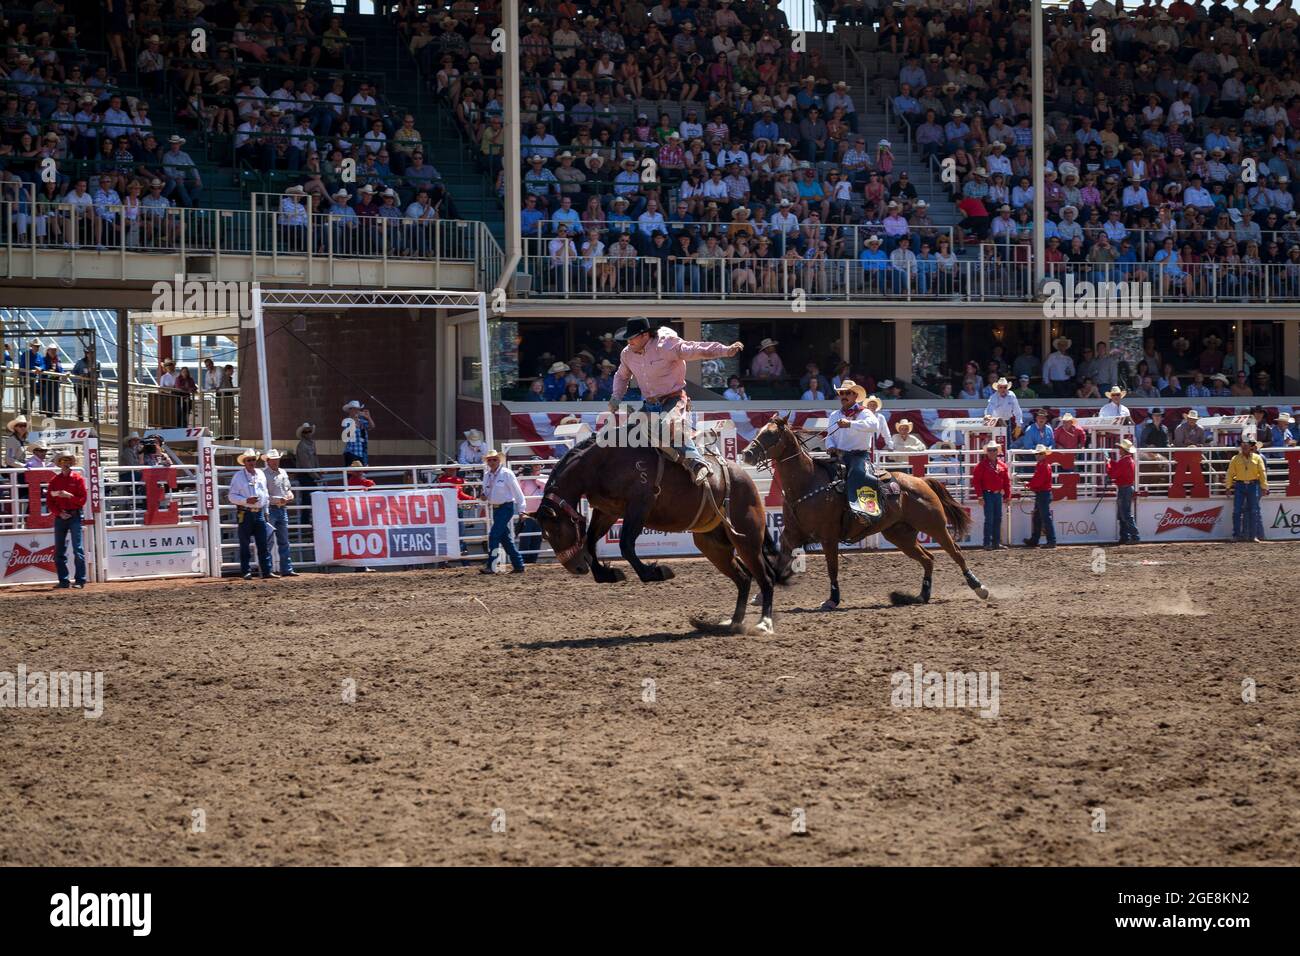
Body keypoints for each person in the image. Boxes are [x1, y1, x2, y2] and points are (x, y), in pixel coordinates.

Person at [608, 316, 741, 484]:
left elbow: (694, 349)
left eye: (632, 336)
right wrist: (616, 396)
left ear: (645, 335)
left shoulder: (666, 345)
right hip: (649, 403)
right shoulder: (627, 354)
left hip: (673, 398)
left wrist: (724, 350)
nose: (628, 341)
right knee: (630, 431)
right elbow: (621, 376)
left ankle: (697, 463)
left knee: (669, 424)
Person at [826, 379, 890, 517]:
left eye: (847, 393)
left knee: (857, 475)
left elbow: (874, 426)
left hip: (859, 456)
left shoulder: (864, 412)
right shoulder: (834, 415)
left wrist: (850, 424)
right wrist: (831, 446)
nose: (843, 396)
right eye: (841, 393)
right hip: (838, 456)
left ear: (855, 396)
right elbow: (830, 436)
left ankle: (864, 512)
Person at [228, 449, 276, 580]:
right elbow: (231, 496)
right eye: (249, 460)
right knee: (245, 544)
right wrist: (245, 501)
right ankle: (246, 571)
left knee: (263, 543)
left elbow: (265, 494)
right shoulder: (238, 476)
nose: (251, 462)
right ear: (244, 462)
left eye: (253, 460)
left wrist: (266, 511)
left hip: (259, 512)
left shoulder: (260, 474)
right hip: (245, 512)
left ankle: (266, 571)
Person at [479, 448, 526, 574]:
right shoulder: (486, 476)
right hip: (496, 509)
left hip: (506, 507)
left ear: (499, 460)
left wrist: (522, 510)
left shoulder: (507, 473)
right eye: (490, 460)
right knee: (505, 539)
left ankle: (492, 565)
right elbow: (486, 493)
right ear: (487, 462)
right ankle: (519, 564)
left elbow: (518, 492)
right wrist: (483, 496)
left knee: (494, 536)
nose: (492, 462)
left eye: (494, 459)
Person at [48, 450, 88, 589]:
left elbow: (82, 500)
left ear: (71, 462)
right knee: (59, 550)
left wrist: (69, 496)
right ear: (59, 463)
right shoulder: (54, 481)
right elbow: (50, 501)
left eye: (67, 460)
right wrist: (59, 513)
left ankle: (80, 580)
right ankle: (64, 580)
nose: (65, 463)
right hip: (62, 516)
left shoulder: (78, 479)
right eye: (62, 461)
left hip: (74, 515)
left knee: (78, 549)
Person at [262, 449, 299, 577]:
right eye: (274, 459)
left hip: (281, 509)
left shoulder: (282, 472)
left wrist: (289, 495)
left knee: (283, 540)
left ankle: (286, 569)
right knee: (270, 541)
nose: (276, 461)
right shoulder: (263, 475)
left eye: (277, 459)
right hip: (271, 508)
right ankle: (270, 569)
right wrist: (279, 499)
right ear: (268, 461)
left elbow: (287, 488)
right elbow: (264, 495)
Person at [1225, 437, 1267, 543]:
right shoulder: (1235, 458)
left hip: (1253, 485)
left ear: (1252, 447)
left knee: (1254, 511)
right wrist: (1228, 486)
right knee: (1237, 511)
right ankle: (1237, 535)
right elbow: (1230, 473)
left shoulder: (1257, 458)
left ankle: (1253, 536)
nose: (1244, 446)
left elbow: (1262, 473)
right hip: (1240, 485)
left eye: (1246, 444)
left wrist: (1264, 486)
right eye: (1243, 444)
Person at [971, 441, 1011, 550]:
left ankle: (996, 542)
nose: (992, 452)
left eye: (994, 450)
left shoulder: (1002, 465)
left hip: (997, 494)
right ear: (987, 452)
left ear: (997, 451)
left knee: (997, 518)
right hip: (987, 494)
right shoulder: (981, 465)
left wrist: (1007, 496)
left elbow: (1006, 482)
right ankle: (987, 543)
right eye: (990, 450)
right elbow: (976, 481)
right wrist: (980, 496)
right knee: (989, 518)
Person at [1023, 444, 1057, 548]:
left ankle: (1051, 540)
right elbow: (1038, 480)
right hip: (1042, 493)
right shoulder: (1042, 465)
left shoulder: (1043, 466)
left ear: (1044, 455)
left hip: (1043, 493)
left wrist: (1029, 484)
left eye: (1040, 454)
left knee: (1044, 517)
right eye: (1037, 454)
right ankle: (1037, 539)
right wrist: (1030, 484)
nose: (1037, 455)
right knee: (1039, 517)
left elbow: (1038, 481)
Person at [1107, 438, 1140, 545]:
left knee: (1124, 514)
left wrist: (1108, 464)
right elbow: (1118, 469)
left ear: (1124, 450)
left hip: (1124, 489)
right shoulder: (1127, 461)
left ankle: (1133, 536)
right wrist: (1111, 462)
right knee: (1123, 514)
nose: (1119, 450)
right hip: (1126, 488)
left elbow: (1114, 474)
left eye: (1120, 448)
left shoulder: (1124, 461)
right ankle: (1126, 536)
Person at [983, 377, 1023, 443]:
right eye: (1001, 387)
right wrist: (988, 416)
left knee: (1007, 442)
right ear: (998, 388)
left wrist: (1018, 424)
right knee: (996, 441)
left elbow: (1017, 410)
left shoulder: (1011, 395)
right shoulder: (994, 397)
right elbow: (990, 408)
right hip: (996, 422)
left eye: (1004, 387)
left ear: (1007, 388)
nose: (1003, 389)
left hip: (1007, 421)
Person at [341, 399, 374, 466]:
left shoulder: (361, 421)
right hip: (351, 452)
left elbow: (372, 426)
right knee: (351, 473)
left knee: (361, 473)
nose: (357, 411)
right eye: (355, 409)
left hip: (361, 452)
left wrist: (368, 417)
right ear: (350, 410)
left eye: (358, 409)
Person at [294, 422, 320, 488]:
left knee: (315, 493)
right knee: (308, 495)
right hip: (305, 474)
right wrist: (316, 476)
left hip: (313, 473)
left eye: (309, 431)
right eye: (306, 432)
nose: (308, 433)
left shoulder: (312, 443)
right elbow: (305, 464)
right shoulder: (301, 446)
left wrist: (318, 471)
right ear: (302, 434)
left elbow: (315, 458)